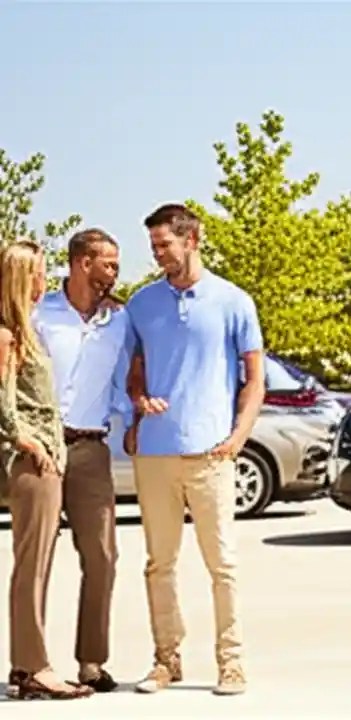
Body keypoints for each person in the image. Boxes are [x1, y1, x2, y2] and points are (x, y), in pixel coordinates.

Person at [124, 203, 265, 696]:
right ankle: (166, 661)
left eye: (165, 244)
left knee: (221, 564)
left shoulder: (233, 301)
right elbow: (134, 369)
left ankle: (232, 663)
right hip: (155, 454)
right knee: (158, 564)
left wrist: (238, 436)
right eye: (154, 247)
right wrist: (140, 399)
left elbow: (255, 379)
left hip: (212, 455)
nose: (159, 254)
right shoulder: (141, 305)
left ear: (193, 238)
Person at [31, 228, 132, 693]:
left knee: (103, 556)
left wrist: (131, 419)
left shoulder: (120, 321)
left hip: (91, 448)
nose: (114, 272)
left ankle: (92, 662)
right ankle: (32, 663)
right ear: (81, 263)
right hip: (43, 446)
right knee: (37, 559)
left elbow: (125, 380)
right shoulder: (40, 314)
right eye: (107, 263)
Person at [1, 240, 93, 701]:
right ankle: (35, 667)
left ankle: (26, 664)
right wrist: (26, 440)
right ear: (21, 278)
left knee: (36, 567)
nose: (44, 281)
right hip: (32, 465)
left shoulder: (26, 330)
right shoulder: (6, 334)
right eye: (38, 273)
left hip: (47, 459)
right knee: (31, 568)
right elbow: (2, 401)